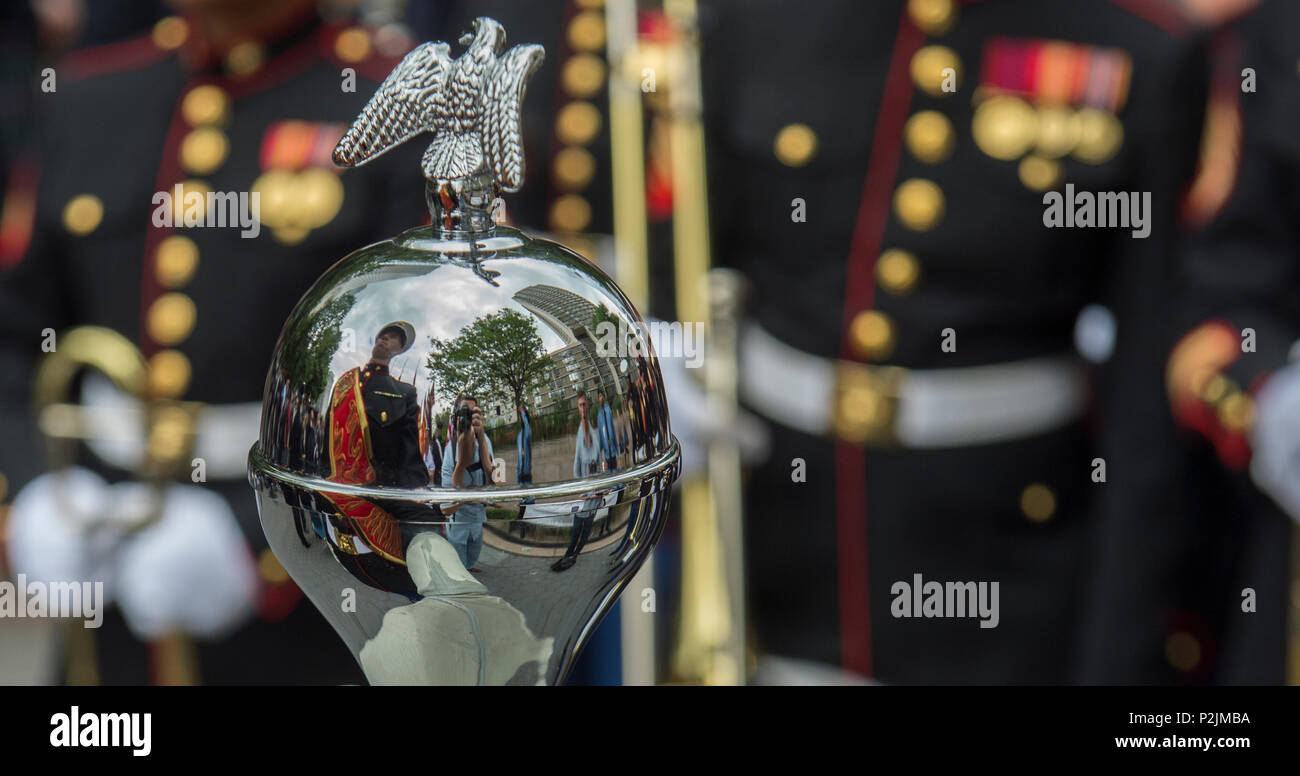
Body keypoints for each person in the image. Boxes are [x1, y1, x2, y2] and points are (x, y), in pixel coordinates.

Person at [693, 0, 1210, 683]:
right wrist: (664, 359)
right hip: (770, 556)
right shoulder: (760, 17)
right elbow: (694, 246)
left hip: (1008, 584)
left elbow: (1147, 410)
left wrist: (1115, 664)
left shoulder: (1137, 45)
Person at [0, 0, 425, 685]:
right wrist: (28, 493)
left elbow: (414, 393)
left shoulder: (393, 104)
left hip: (315, 607)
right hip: (105, 569)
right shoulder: (91, 94)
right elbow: (16, 337)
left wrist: (265, 540)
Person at [442, 392, 494, 573]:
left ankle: (469, 568)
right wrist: (462, 463)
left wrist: (482, 440)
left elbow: (498, 490)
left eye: (473, 414)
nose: (469, 419)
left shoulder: (487, 441)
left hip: (478, 521)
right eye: (464, 414)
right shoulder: (450, 450)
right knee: (458, 566)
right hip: (459, 524)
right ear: (456, 418)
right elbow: (445, 508)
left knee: (473, 555)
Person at [553, 393, 602, 572]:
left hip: (594, 489)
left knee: (586, 527)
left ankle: (573, 556)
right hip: (585, 489)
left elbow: (594, 454)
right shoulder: (583, 428)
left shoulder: (589, 428)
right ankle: (568, 555)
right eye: (580, 405)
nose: (582, 408)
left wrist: (598, 488)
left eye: (585, 405)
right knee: (577, 527)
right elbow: (582, 450)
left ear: (588, 406)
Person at [596, 389, 618, 473]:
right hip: (606, 452)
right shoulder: (599, 414)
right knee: (609, 472)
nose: (601, 398)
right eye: (599, 397)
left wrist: (618, 452)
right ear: (598, 399)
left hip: (612, 448)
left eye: (601, 396)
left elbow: (612, 426)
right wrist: (601, 457)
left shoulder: (608, 409)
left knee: (615, 471)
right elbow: (600, 433)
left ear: (603, 397)